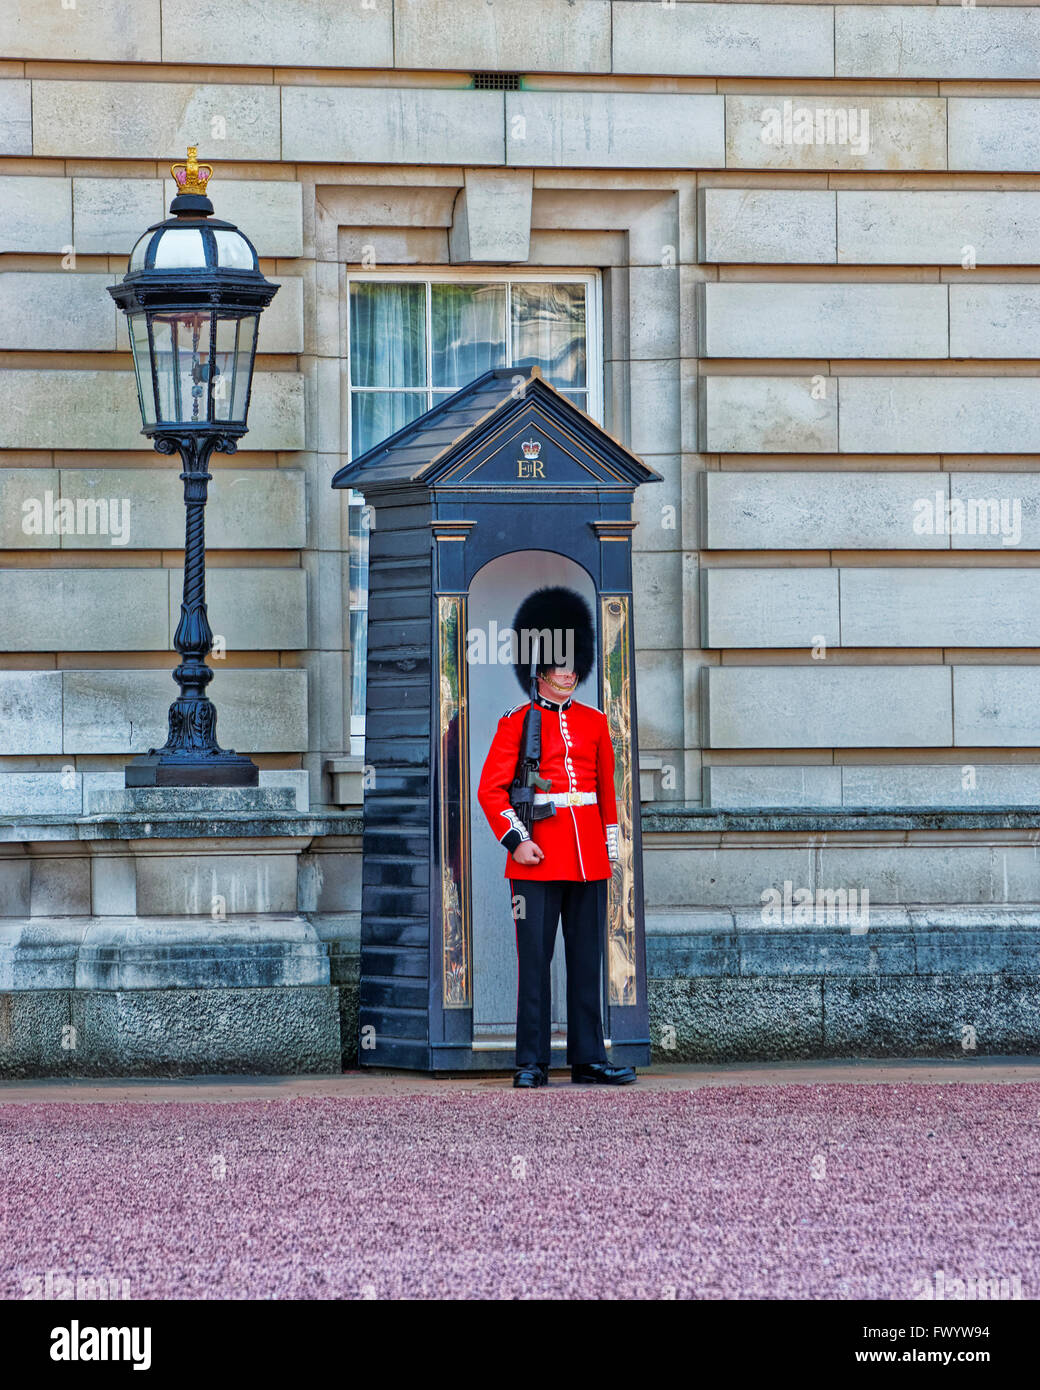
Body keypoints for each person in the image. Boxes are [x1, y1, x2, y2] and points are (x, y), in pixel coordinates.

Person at [477, 585, 637, 1089]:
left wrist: (609, 850)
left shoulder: (594, 723)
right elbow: (490, 791)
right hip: (536, 858)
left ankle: (588, 1059)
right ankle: (532, 1061)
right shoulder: (517, 724)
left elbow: (607, 794)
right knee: (535, 964)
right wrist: (517, 840)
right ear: (541, 670)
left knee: (587, 961)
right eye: (559, 665)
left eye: (573, 665)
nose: (568, 673)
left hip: (588, 856)